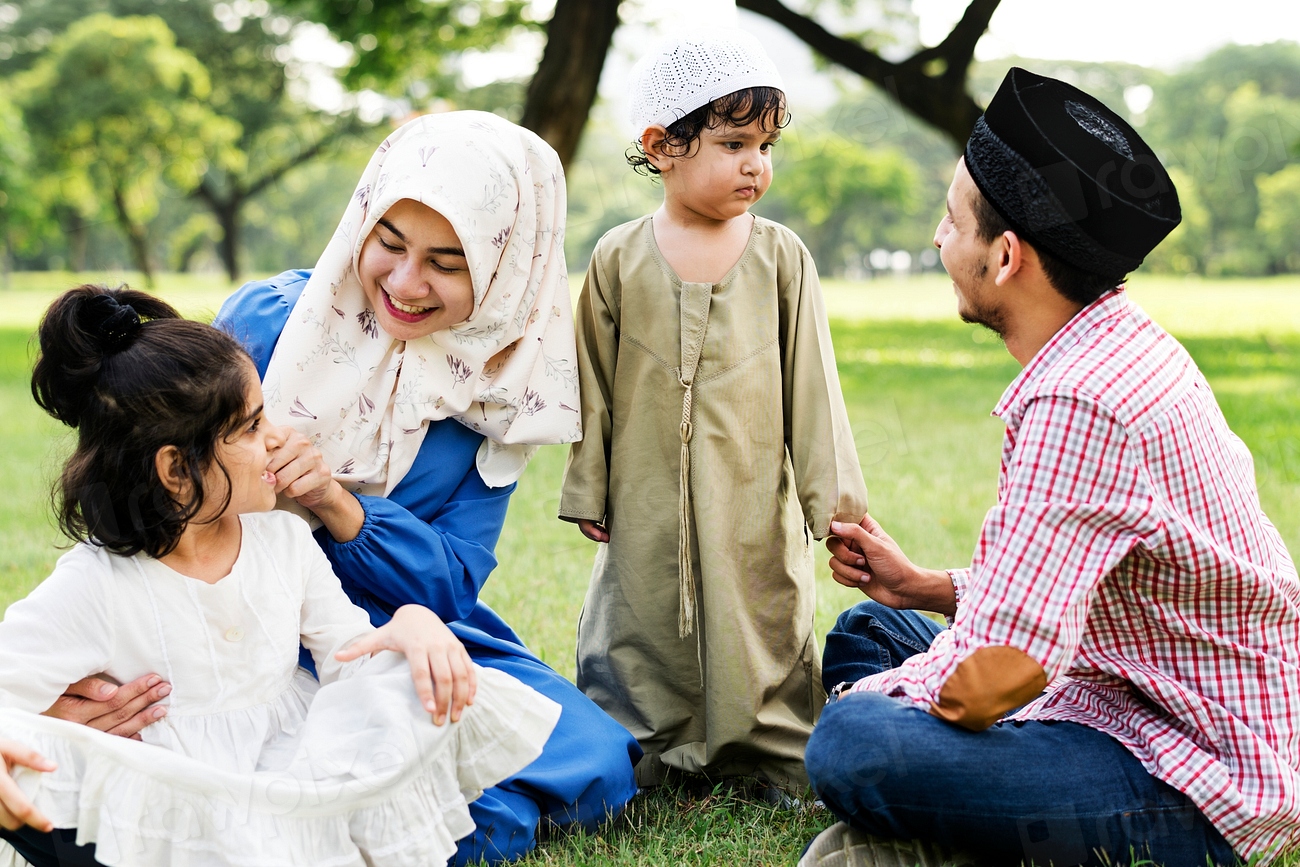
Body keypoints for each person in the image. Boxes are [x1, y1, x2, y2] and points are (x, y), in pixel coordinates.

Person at [41, 111, 642, 865]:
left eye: (447, 263)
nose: (404, 282)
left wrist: (336, 503)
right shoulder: (269, 321)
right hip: (231, 611)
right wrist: (71, 687)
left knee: (591, 759)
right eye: (388, 244)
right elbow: (143, 473)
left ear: (504, 270)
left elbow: (451, 584)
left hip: (388, 624)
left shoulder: (498, 388)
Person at [800, 68, 1300, 867]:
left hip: (1195, 775)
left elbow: (1003, 668)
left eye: (951, 221)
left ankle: (943, 832)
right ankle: (954, 819)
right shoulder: (1111, 336)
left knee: (853, 743)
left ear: (1004, 257)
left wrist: (864, 713)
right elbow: (1070, 588)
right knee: (870, 628)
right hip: (1118, 685)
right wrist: (926, 589)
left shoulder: (1082, 399)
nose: (937, 238)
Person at [0, 285, 561, 867]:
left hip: (290, 768)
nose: (277, 437)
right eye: (249, 426)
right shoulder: (96, 583)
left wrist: (413, 624)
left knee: (409, 675)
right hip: (175, 797)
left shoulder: (283, 537)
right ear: (175, 470)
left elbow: (350, 653)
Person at [559, 30, 868, 791]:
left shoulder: (781, 257)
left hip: (751, 493)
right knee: (640, 614)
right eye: (733, 143)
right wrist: (591, 486)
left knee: (758, 614)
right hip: (645, 493)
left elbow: (813, 389)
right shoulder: (617, 257)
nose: (755, 164)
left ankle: (765, 748)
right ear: (662, 146)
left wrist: (838, 511)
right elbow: (591, 382)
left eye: (765, 145)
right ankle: (644, 745)